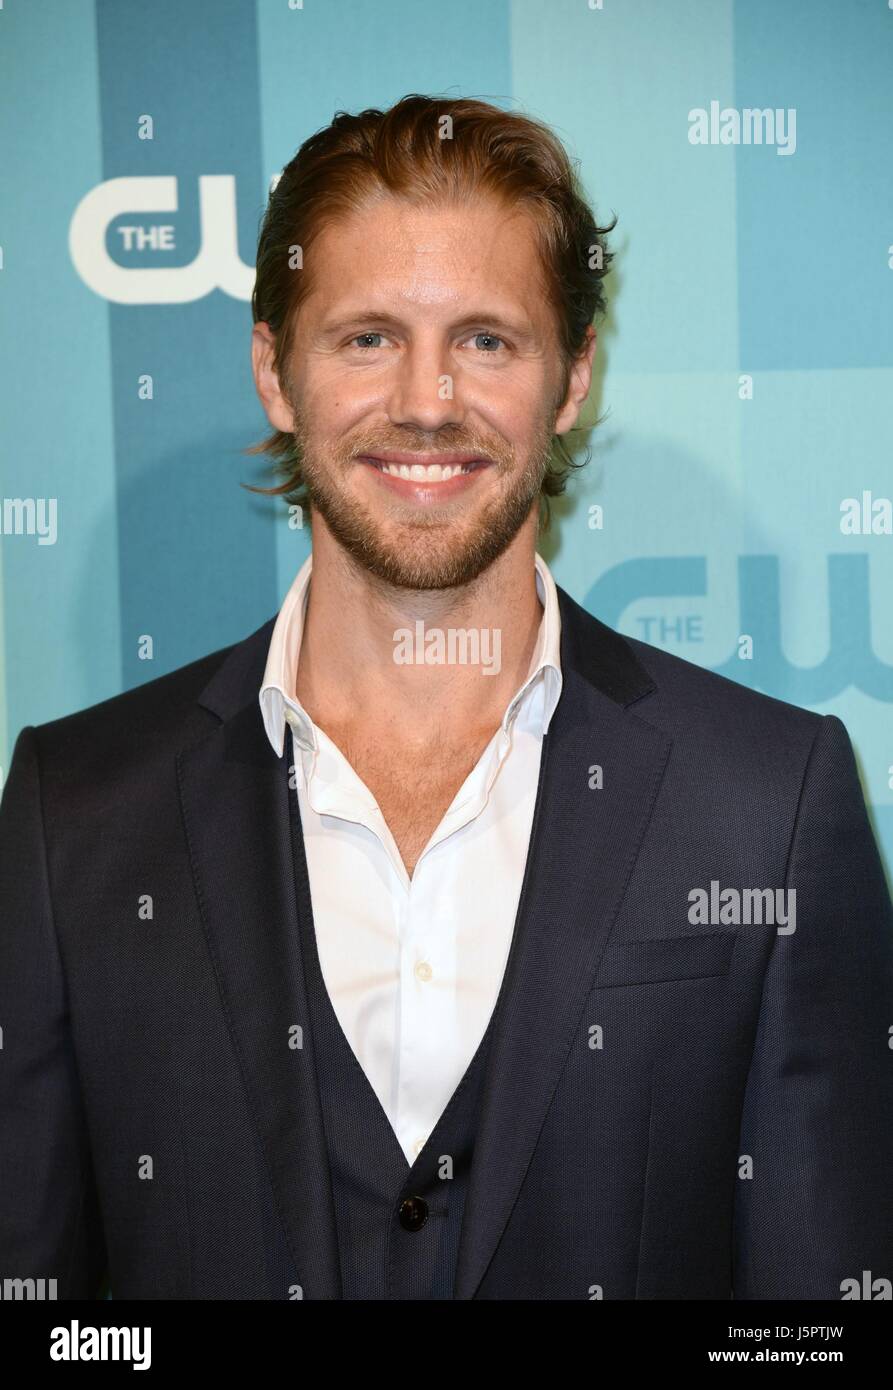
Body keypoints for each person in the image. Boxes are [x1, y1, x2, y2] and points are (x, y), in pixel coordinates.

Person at [1, 95, 891, 1300]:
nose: (426, 401)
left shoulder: (764, 802)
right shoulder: (76, 815)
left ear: (571, 377)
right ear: (274, 370)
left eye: (486, 339)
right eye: (366, 337)